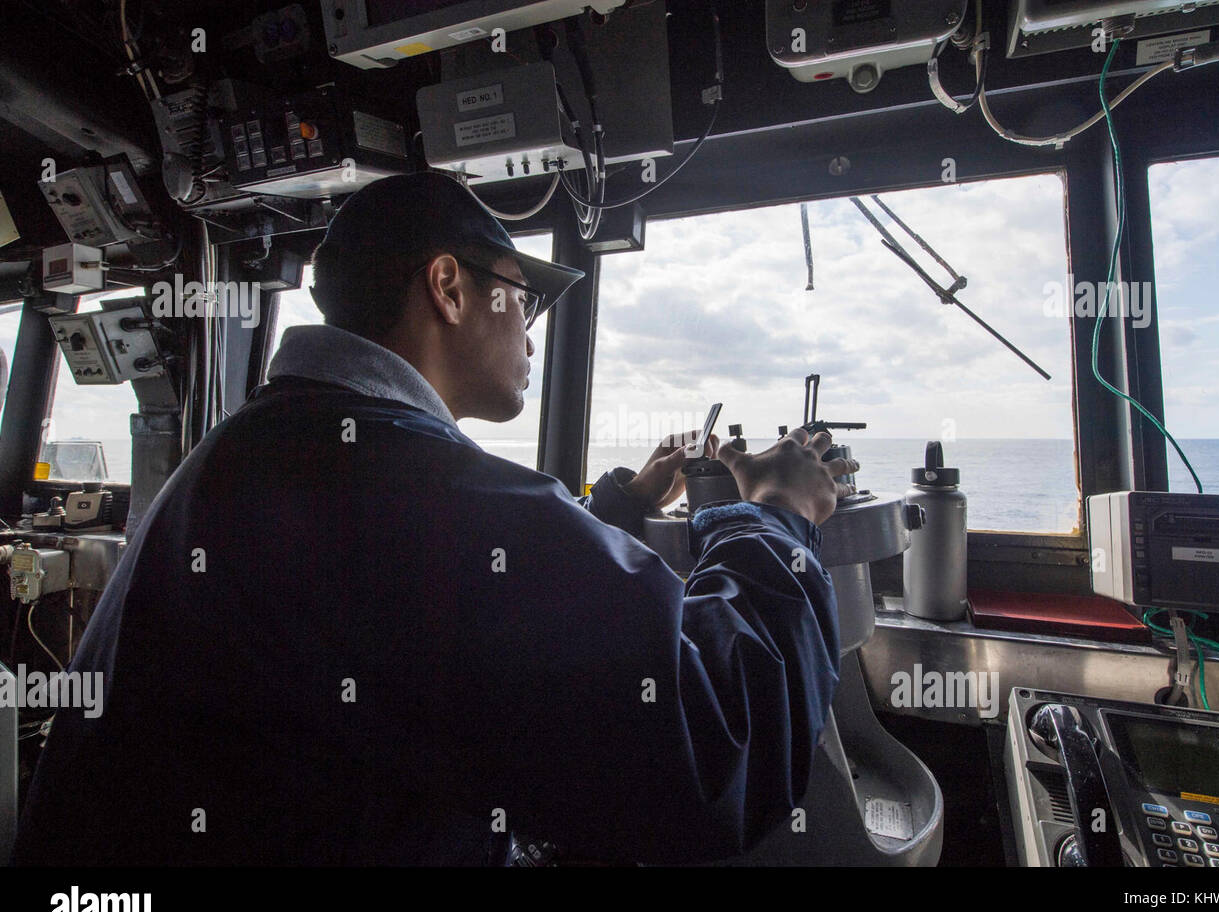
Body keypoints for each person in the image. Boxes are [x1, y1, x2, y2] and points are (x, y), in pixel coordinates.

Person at [13, 171, 857, 865]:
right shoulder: (411, 485)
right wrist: (777, 514)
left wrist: (628, 507)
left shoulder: (260, 446)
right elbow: (721, 736)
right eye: (523, 302)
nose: (530, 336)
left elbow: (462, 609)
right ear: (450, 288)